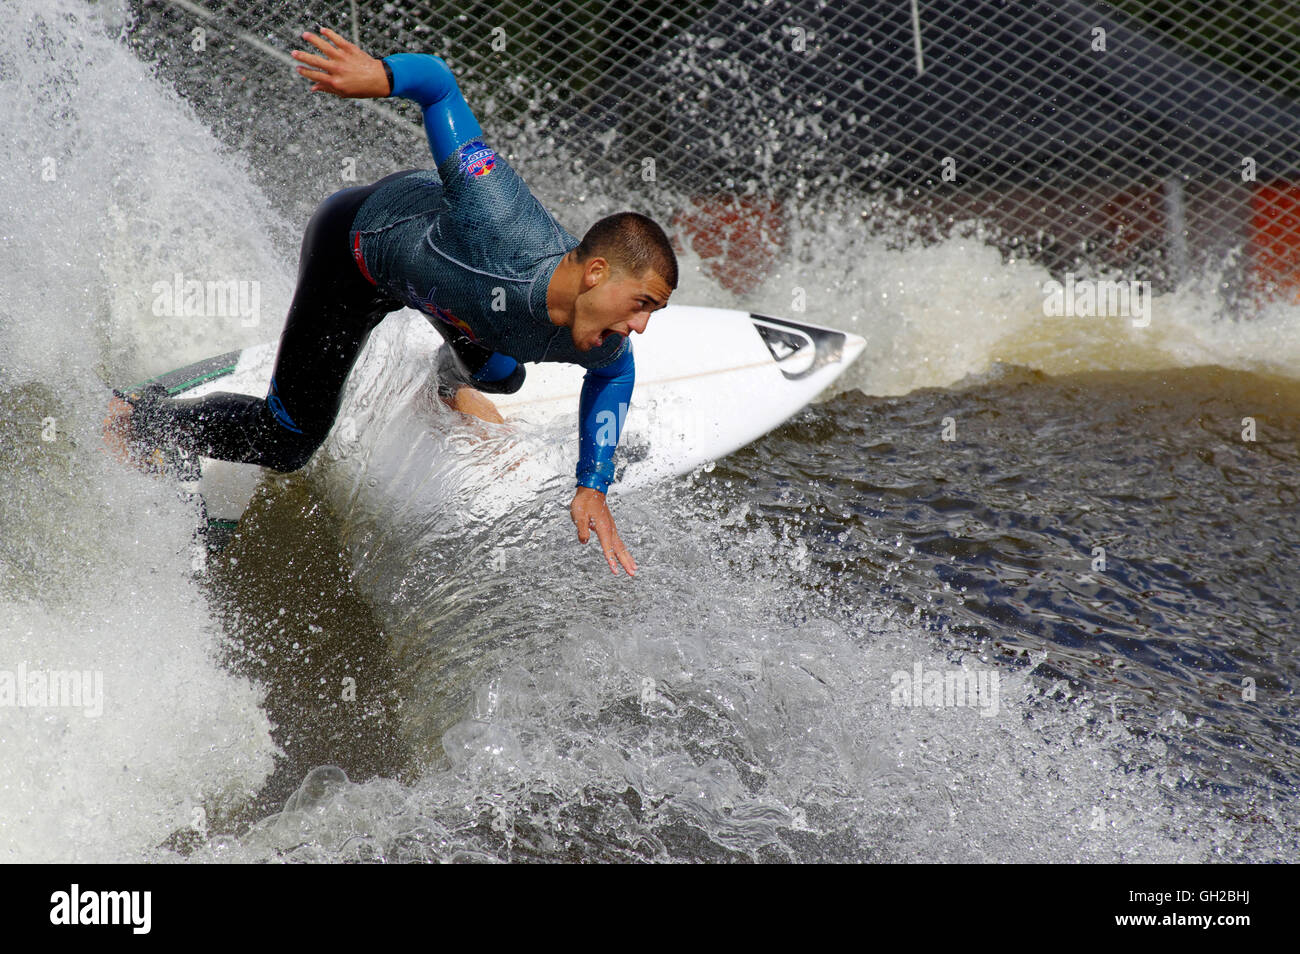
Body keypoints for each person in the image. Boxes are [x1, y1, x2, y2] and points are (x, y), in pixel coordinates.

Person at [108, 27, 678, 577]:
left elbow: (614, 376)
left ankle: (445, 381)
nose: (641, 327)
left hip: (449, 297)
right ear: (596, 273)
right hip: (357, 252)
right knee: (288, 441)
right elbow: (439, 84)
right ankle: (147, 421)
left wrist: (592, 484)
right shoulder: (497, 215)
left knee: (502, 377)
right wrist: (378, 75)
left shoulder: (602, 341)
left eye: (653, 312)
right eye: (641, 304)